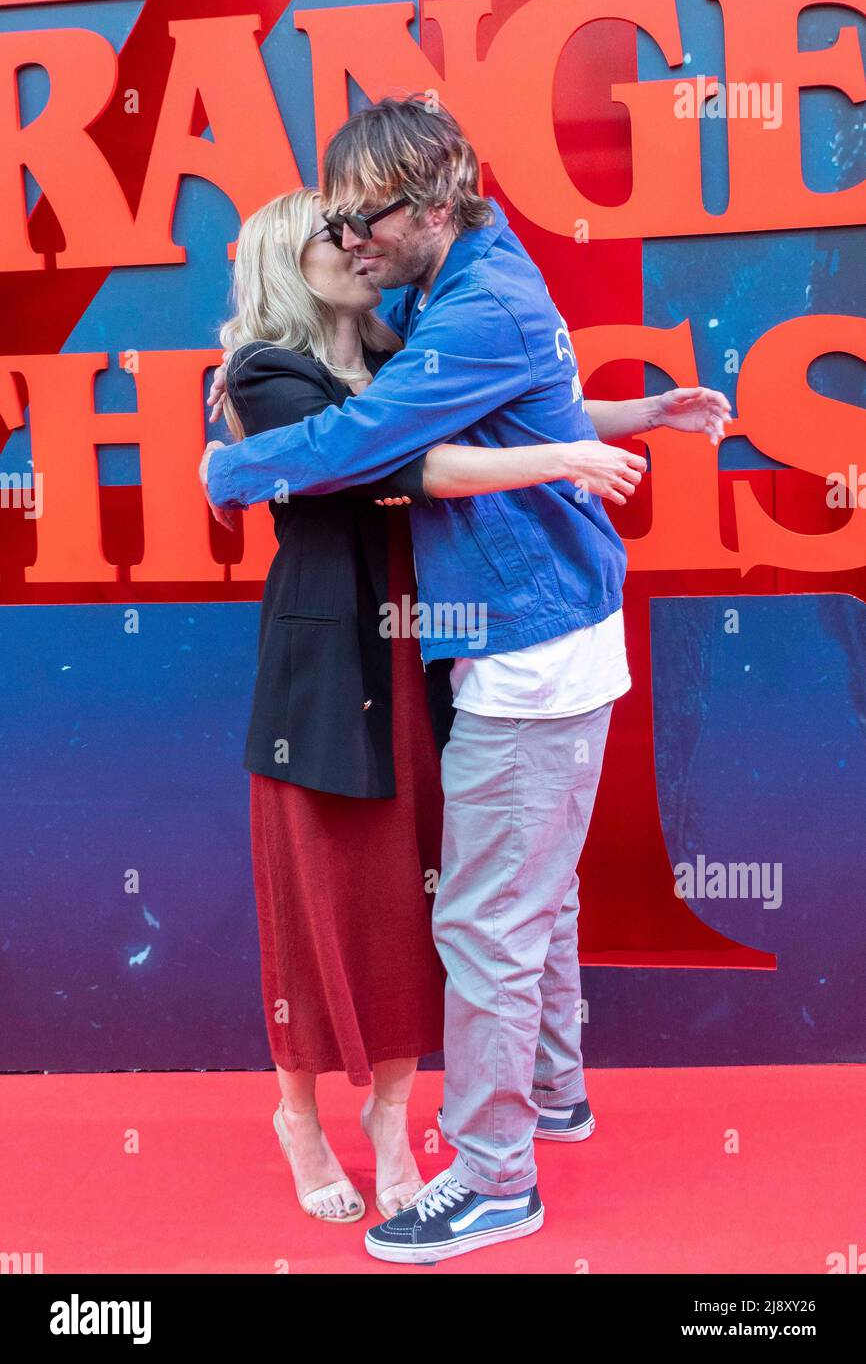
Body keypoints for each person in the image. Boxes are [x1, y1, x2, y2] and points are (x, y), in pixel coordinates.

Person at [203, 96, 730, 1264]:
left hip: (527, 641)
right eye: (330, 224)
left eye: (362, 216)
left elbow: (373, 448)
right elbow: (498, 413)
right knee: (532, 892)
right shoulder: (452, 287)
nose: (350, 239)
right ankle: (552, 1094)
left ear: (432, 203)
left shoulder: (472, 301)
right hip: (532, 634)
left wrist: (229, 469)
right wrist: (631, 412)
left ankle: (496, 1181)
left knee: (484, 917)